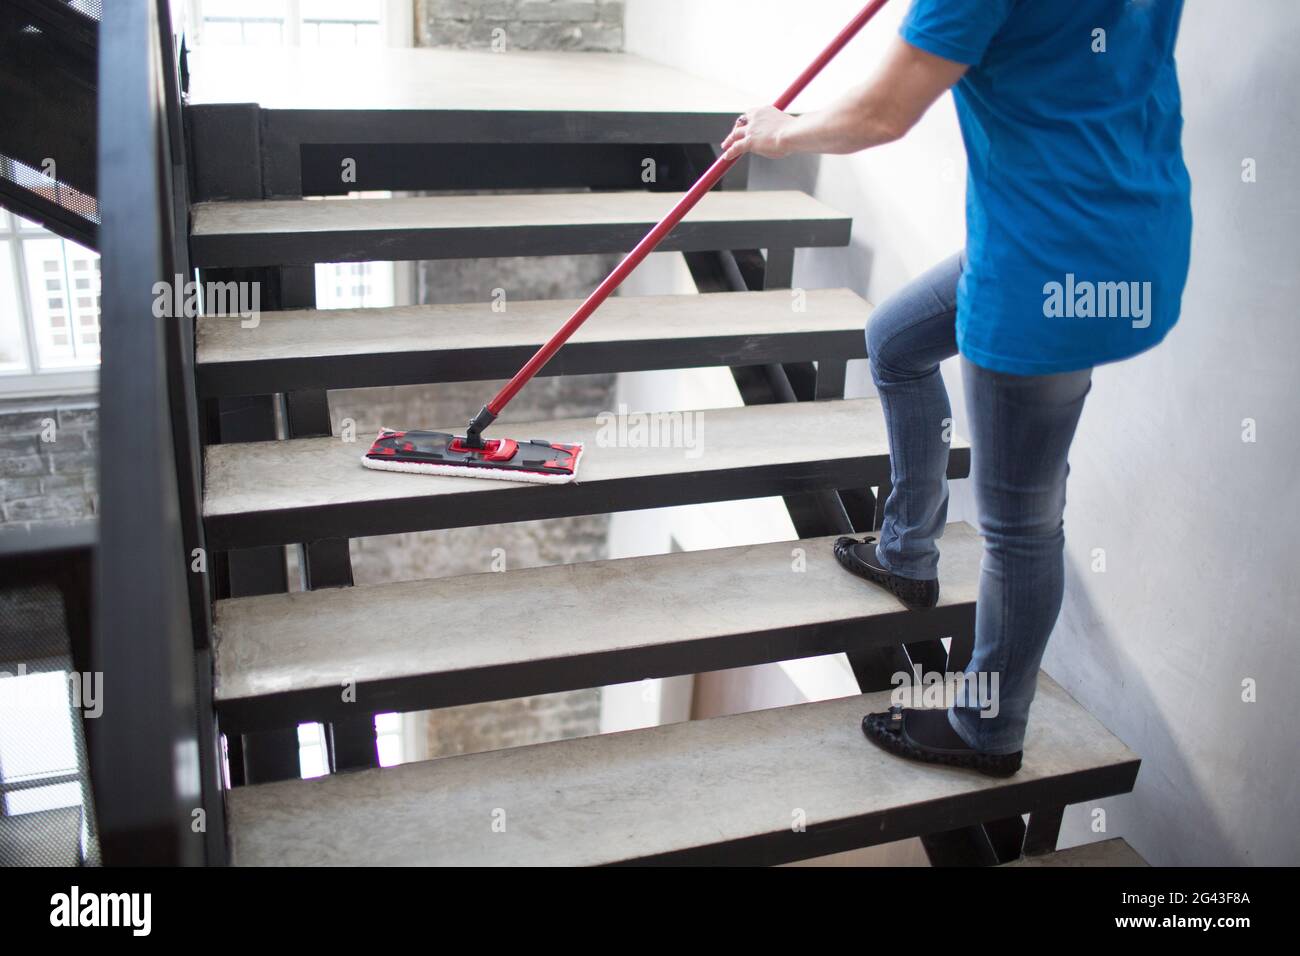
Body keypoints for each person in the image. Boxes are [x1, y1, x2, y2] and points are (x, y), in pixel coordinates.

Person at [721, 0, 1191, 776]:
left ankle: (989, 727)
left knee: (1022, 525)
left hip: (1044, 269)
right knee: (896, 342)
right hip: (1128, 238)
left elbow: (883, 112)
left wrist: (780, 131)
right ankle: (907, 549)